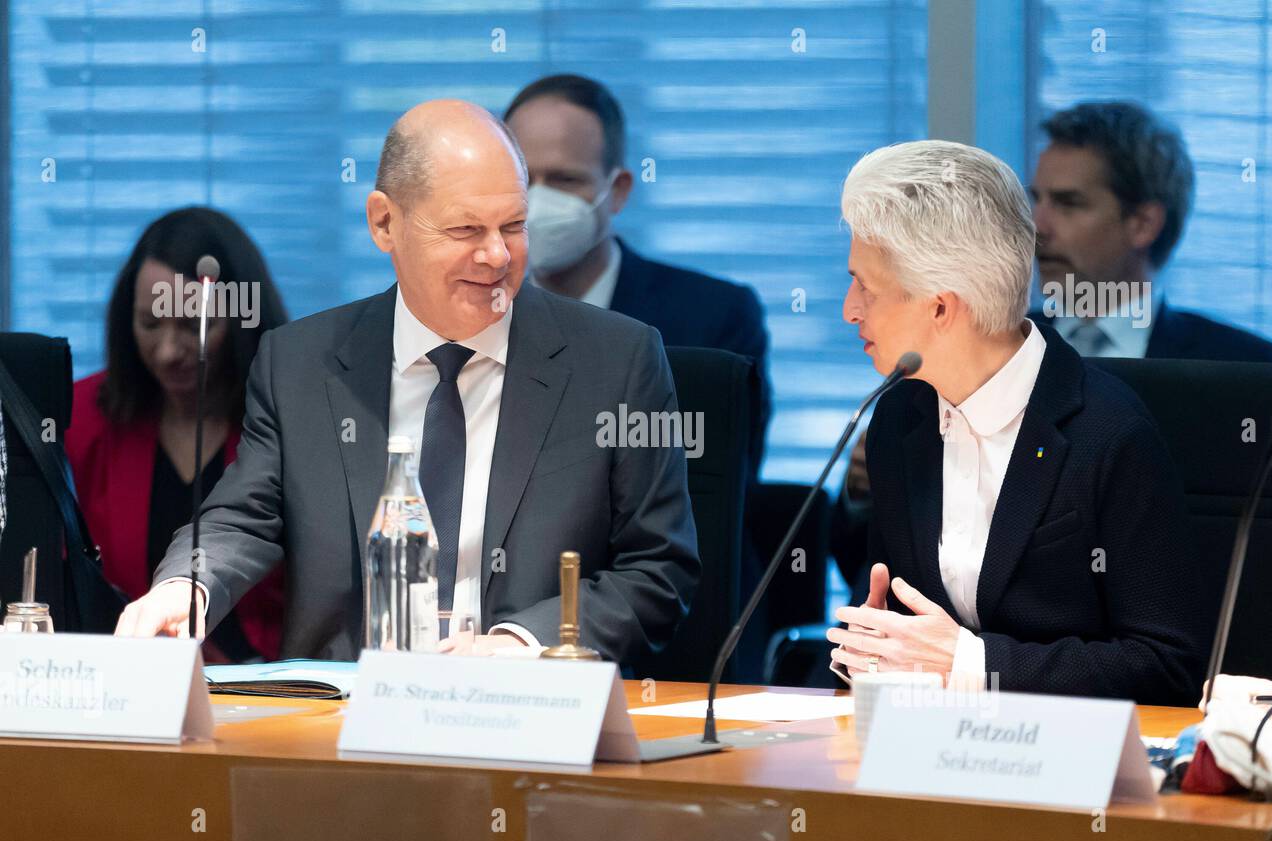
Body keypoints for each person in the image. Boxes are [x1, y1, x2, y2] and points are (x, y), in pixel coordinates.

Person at [113, 100, 700, 663]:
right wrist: (188, 588)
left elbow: (657, 570)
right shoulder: (301, 363)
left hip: (531, 714)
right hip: (341, 722)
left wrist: (526, 642)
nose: (496, 255)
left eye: (514, 226)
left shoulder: (616, 362)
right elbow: (243, 515)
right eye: (466, 229)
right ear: (385, 223)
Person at [826, 140, 1209, 704]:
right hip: (927, 751)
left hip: (1077, 772)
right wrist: (875, 648)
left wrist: (972, 664)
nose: (848, 309)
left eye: (866, 286)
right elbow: (903, 619)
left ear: (940, 306)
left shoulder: (1109, 433)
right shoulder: (900, 416)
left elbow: (1166, 664)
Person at [504, 74, 771, 476]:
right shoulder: (481, 314)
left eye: (565, 180)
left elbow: (720, 489)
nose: (538, 201)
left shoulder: (714, 318)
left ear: (618, 190)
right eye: (523, 181)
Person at [67, 208, 287, 662]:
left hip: (274, 692)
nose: (168, 351)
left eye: (193, 327)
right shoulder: (81, 417)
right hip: (123, 680)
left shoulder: (291, 417)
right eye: (150, 324)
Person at [1030, 100, 1272, 362]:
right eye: (1036, 199)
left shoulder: (1241, 364)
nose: (1037, 226)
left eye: (1069, 203)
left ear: (1144, 224)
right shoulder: (998, 348)